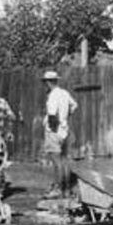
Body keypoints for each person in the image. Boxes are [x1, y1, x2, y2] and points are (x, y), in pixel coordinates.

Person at [42, 70, 78, 198]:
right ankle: (66, 189)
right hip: (65, 130)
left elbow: (52, 114)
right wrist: (65, 118)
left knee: (56, 161)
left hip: (54, 131)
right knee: (65, 161)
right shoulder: (65, 93)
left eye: (45, 82)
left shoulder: (53, 95)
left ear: (48, 82)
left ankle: (57, 189)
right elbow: (74, 105)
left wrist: (53, 126)